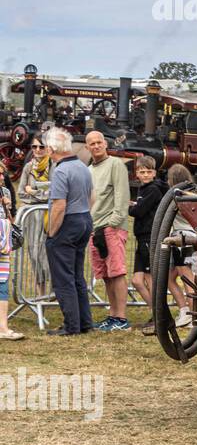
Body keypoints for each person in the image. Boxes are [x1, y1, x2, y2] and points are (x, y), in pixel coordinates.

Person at [43, 127, 95, 335]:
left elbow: (59, 206)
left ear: (51, 148)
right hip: (84, 218)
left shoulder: (61, 170)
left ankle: (71, 325)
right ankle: (85, 323)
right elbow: (92, 197)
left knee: (63, 278)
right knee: (77, 276)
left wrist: (51, 233)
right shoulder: (82, 166)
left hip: (69, 222)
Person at [84, 130, 132, 332]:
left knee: (117, 272)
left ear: (105, 144)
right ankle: (113, 315)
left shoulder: (116, 164)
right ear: (87, 147)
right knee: (105, 275)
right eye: (91, 143)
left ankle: (121, 319)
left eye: (99, 142)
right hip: (94, 230)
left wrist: (114, 222)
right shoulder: (88, 170)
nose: (96, 146)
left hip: (111, 228)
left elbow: (122, 196)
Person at [128, 156, 168, 335]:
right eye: (141, 172)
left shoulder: (153, 189)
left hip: (149, 237)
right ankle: (157, 313)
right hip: (141, 237)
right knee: (136, 280)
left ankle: (160, 317)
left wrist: (129, 207)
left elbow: (139, 211)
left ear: (154, 173)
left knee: (151, 278)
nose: (144, 175)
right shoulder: (144, 189)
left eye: (148, 172)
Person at [166, 164, 196, 326]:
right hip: (196, 239)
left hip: (182, 240)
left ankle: (193, 317)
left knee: (188, 281)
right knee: (170, 278)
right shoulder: (195, 193)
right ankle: (185, 311)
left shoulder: (175, 197)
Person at [0, 203, 22, 340]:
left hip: (3, 248)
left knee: (2, 286)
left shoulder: (4, 191)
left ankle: (2, 327)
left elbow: (11, 214)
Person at [18, 138, 51, 204]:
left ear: (48, 148)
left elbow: (52, 195)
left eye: (42, 147)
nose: (37, 150)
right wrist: (42, 197)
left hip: (48, 211)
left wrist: (31, 192)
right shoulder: (28, 167)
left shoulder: (53, 166)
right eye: (34, 146)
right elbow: (21, 194)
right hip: (31, 211)